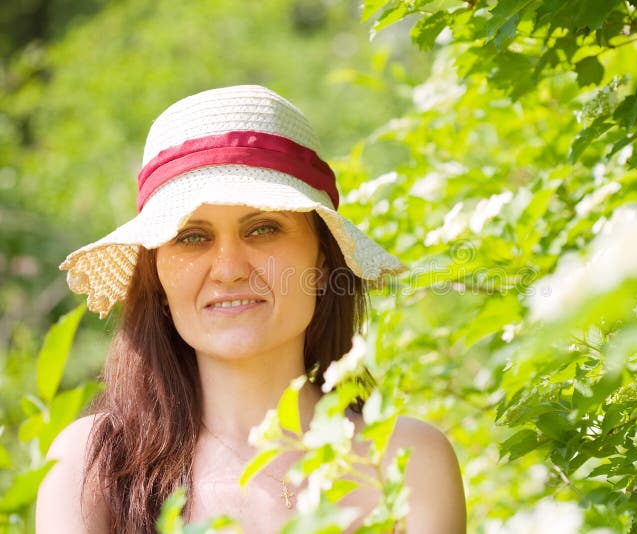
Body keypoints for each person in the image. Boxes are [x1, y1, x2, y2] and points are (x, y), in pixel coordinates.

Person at [36, 85, 466, 533]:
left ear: (322, 261)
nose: (229, 269)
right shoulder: (92, 468)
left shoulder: (407, 462)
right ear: (159, 279)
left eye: (263, 228)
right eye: (192, 237)